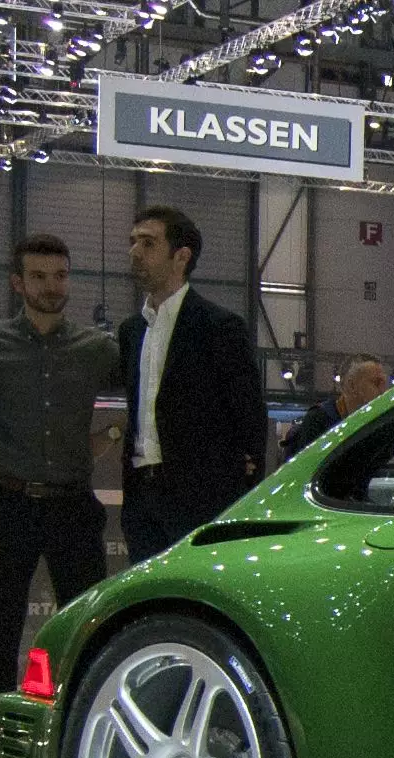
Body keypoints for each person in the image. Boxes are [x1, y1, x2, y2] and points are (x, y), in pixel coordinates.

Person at [0, 234, 123, 758]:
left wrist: (108, 435)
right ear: (18, 283)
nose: (54, 287)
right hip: (8, 503)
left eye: (62, 275)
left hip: (74, 504)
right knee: (0, 629)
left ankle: (85, 737)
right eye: (42, 277)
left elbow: (145, 401)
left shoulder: (97, 348)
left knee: (85, 626)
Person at [118, 205, 267, 562]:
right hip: (141, 496)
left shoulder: (219, 327)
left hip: (202, 499)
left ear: (180, 256)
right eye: (133, 241)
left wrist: (237, 489)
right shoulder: (131, 331)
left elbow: (249, 417)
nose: (134, 251)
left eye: (148, 243)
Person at [283, 353, 390, 458]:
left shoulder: (375, 421)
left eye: (384, 384)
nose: (383, 390)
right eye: (376, 383)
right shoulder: (319, 419)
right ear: (352, 385)